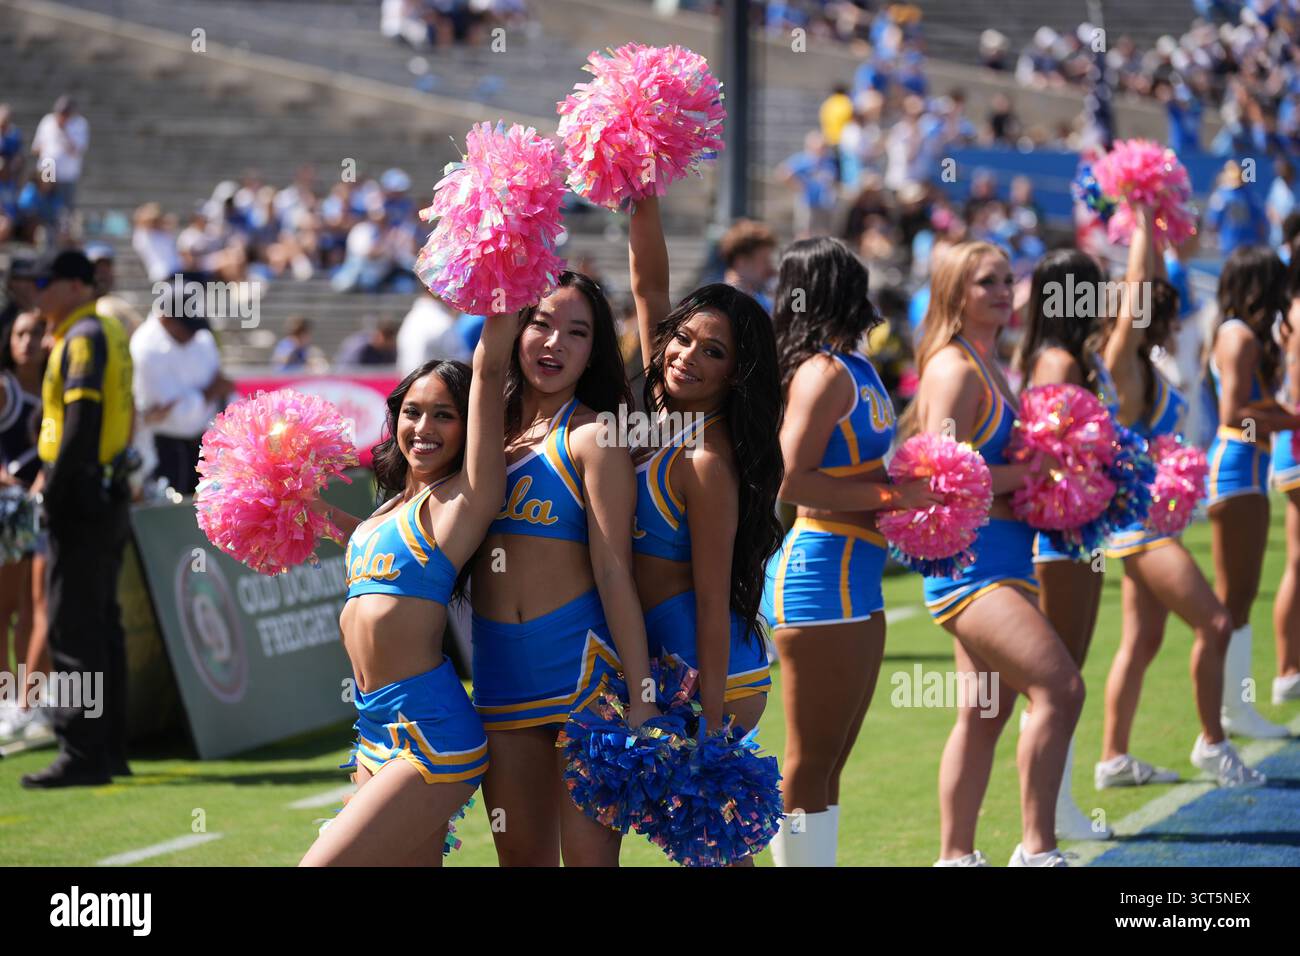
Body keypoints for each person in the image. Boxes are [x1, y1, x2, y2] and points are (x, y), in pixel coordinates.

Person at [300, 314, 514, 866]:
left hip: (431, 732)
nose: (424, 427)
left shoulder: (462, 502)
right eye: (413, 412)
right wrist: (311, 511)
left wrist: (501, 300)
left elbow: (489, 374)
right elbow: (384, 566)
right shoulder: (388, 511)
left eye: (445, 415)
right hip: (374, 728)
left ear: (469, 428)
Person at [905, 240, 1084, 866]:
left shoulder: (989, 362)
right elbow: (936, 476)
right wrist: (1034, 472)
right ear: (956, 293)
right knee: (1061, 689)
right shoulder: (953, 368)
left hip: (1006, 560)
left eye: (1009, 280)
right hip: (972, 568)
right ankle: (1038, 850)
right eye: (987, 282)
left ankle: (956, 857)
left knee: (983, 714)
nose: (1004, 291)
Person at [469, 270, 657, 867]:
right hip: (499, 678)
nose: (554, 344)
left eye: (577, 333)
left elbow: (614, 573)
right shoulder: (481, 438)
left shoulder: (593, 437)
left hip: (584, 680)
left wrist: (643, 692)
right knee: (520, 860)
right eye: (542, 323)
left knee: (589, 861)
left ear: (593, 352)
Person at [762, 237, 937, 866]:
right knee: (811, 757)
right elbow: (788, 478)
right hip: (820, 573)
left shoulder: (855, 367)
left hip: (859, 576)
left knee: (834, 756)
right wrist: (895, 495)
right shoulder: (820, 373)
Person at [627, 197, 784, 864]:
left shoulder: (706, 462)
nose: (687, 356)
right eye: (683, 338)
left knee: (710, 847)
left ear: (735, 372)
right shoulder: (662, 409)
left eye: (712, 351)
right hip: (671, 662)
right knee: (710, 849)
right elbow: (648, 286)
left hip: (708, 672)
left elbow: (716, 599)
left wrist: (714, 724)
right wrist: (641, 192)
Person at [1097, 207, 1268, 788]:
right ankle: (1212, 743)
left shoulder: (1157, 365)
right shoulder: (1123, 368)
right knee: (1216, 622)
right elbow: (1135, 295)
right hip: (1137, 524)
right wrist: (1145, 220)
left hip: (1155, 522)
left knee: (1142, 641)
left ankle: (1113, 758)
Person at [1014, 248, 1119, 840]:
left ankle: (1060, 807)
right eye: (1095, 288)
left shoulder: (1081, 358)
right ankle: (1045, 821)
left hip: (1082, 532)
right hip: (1059, 534)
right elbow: (1046, 457)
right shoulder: (1057, 361)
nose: (1103, 298)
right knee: (1057, 684)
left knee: (1067, 680)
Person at [21, 250, 133, 789]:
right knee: (101, 624)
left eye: (43, 282)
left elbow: (82, 419)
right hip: (105, 490)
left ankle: (81, 752)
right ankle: (108, 748)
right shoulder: (104, 328)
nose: (35, 293)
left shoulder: (83, 335)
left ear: (73, 286)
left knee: (74, 628)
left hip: (82, 496)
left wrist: (56, 488)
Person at [1206, 245, 1297, 739]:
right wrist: (1294, 419)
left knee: (1241, 595)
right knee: (1233, 598)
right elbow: (1233, 415)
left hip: (1250, 467)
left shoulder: (1241, 334)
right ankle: (1230, 712)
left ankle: (1235, 708)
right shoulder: (1238, 337)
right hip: (1237, 467)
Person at [0, 308, 51, 742]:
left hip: (44, 510)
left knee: (38, 610)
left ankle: (32, 702)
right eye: (21, 333)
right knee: (6, 610)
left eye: (37, 333)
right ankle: (5, 701)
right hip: (8, 513)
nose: (28, 342)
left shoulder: (58, 386)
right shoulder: (5, 389)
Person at [130, 290, 232, 495]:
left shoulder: (201, 337)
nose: (192, 333)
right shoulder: (145, 347)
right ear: (166, 319)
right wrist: (209, 393)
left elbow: (221, 386)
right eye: (186, 326)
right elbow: (173, 414)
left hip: (205, 442)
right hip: (164, 448)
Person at [30, 96, 88, 212]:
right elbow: (36, 147)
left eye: (65, 113)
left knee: (65, 208)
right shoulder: (47, 120)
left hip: (67, 174)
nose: (62, 116)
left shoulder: (80, 124)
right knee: (45, 205)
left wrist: (64, 131)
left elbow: (77, 150)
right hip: (47, 170)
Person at [718, 219, 777, 312]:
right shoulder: (722, 304)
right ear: (742, 262)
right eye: (764, 260)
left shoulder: (764, 298)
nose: (770, 267)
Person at [334, 318, 399, 367]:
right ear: (381, 335)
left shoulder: (389, 350)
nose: (392, 343)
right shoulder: (359, 347)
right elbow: (345, 369)